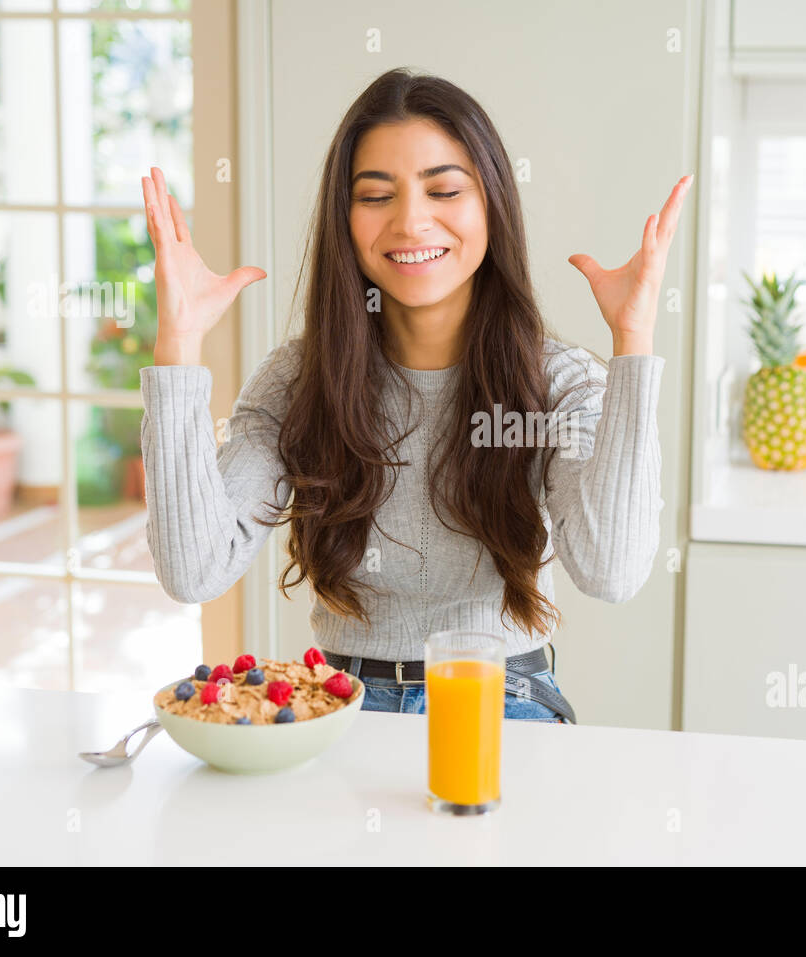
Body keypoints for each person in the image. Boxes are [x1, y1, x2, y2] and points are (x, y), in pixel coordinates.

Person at [138, 68, 689, 723]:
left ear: (491, 204)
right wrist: (177, 345)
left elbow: (613, 572)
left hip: (500, 697)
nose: (410, 221)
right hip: (340, 703)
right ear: (344, 219)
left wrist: (633, 343)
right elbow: (194, 570)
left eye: (444, 189)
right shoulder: (299, 380)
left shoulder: (559, 383)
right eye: (376, 196)